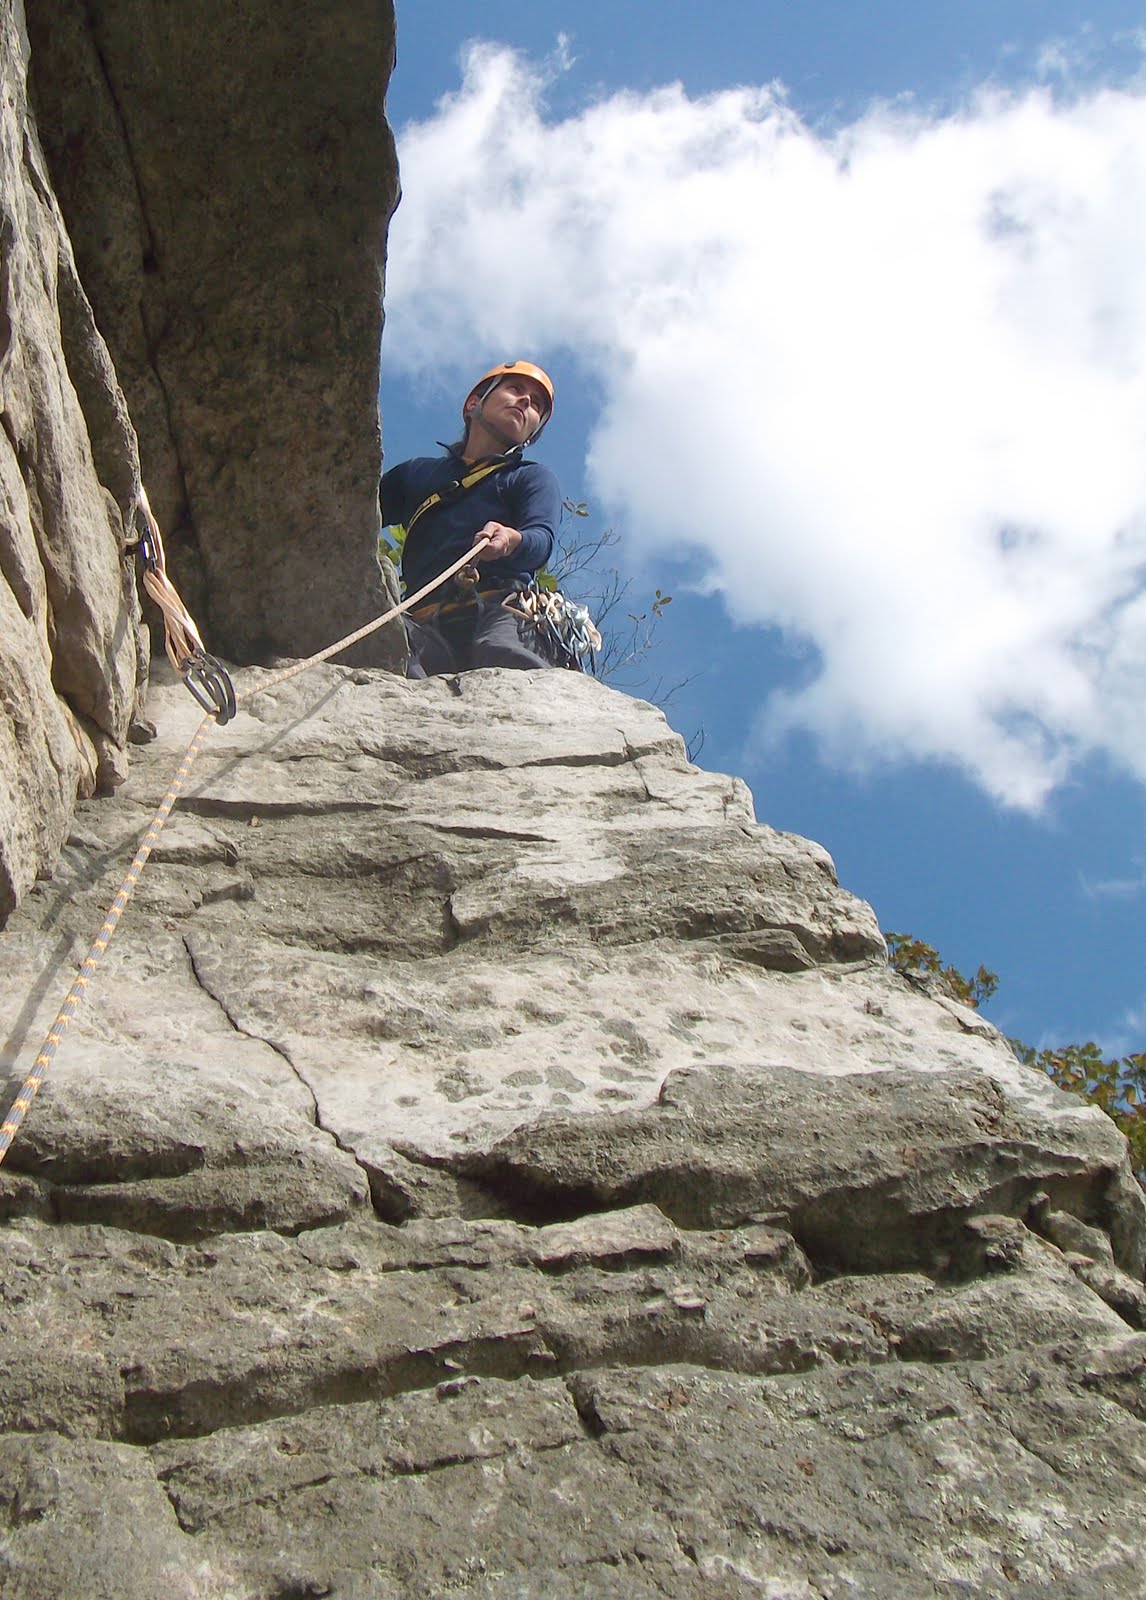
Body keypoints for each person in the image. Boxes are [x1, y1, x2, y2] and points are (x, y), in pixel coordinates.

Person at [380, 360, 562, 677]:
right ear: (474, 403)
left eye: (535, 405)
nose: (525, 402)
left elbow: (541, 540)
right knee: (397, 666)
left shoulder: (530, 478)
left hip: (501, 608)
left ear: (532, 433)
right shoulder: (417, 475)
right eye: (515, 389)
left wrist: (512, 540)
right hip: (422, 620)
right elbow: (353, 516)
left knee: (503, 655)